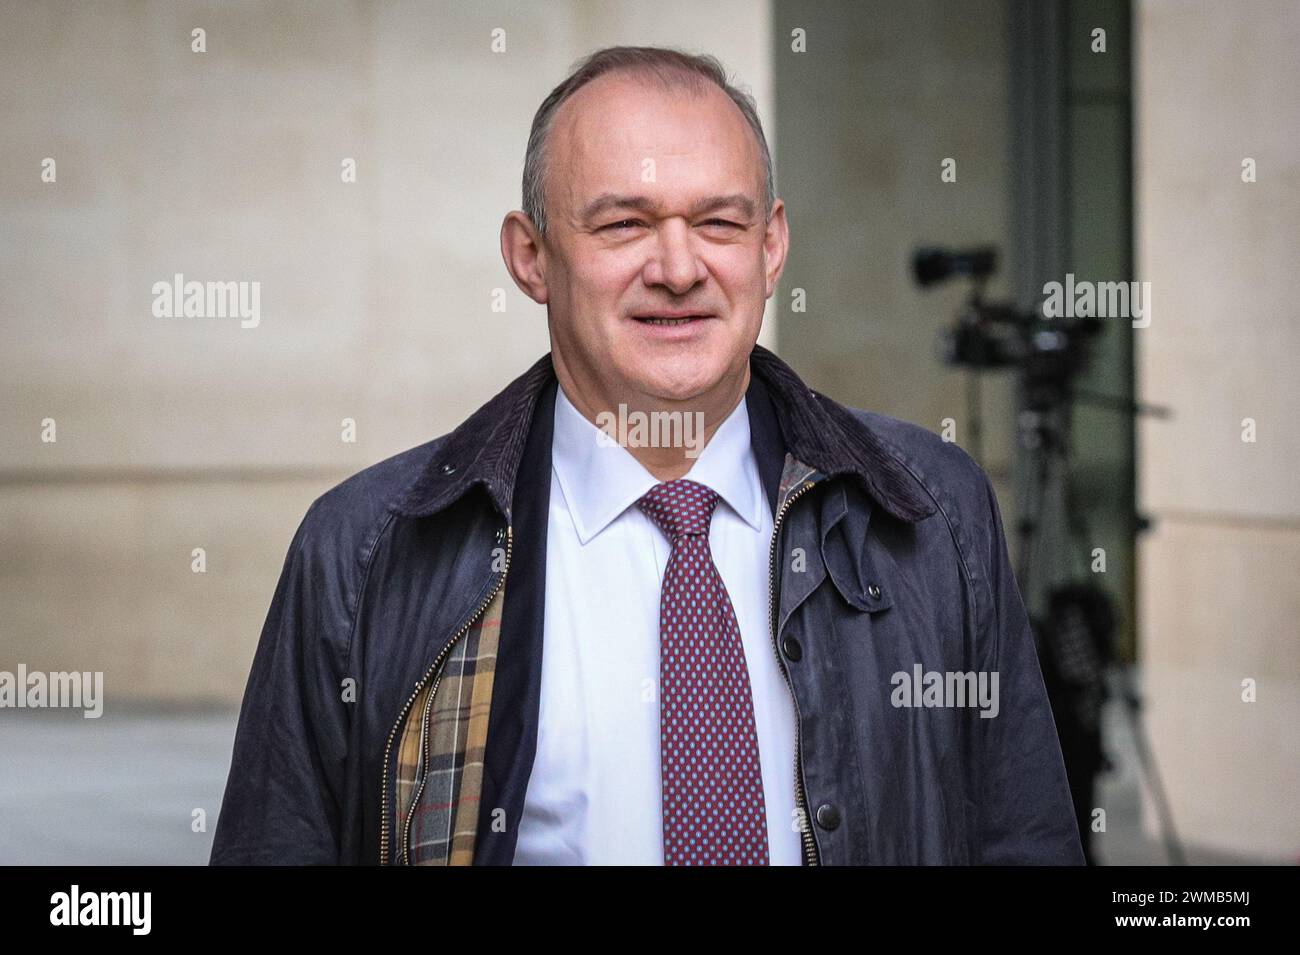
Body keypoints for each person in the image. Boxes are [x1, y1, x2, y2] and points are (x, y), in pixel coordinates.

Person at [210, 45, 1084, 866]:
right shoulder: (366, 549)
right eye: (625, 224)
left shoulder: (931, 512)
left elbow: (1024, 836)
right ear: (530, 256)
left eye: (718, 222)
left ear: (771, 247)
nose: (678, 266)